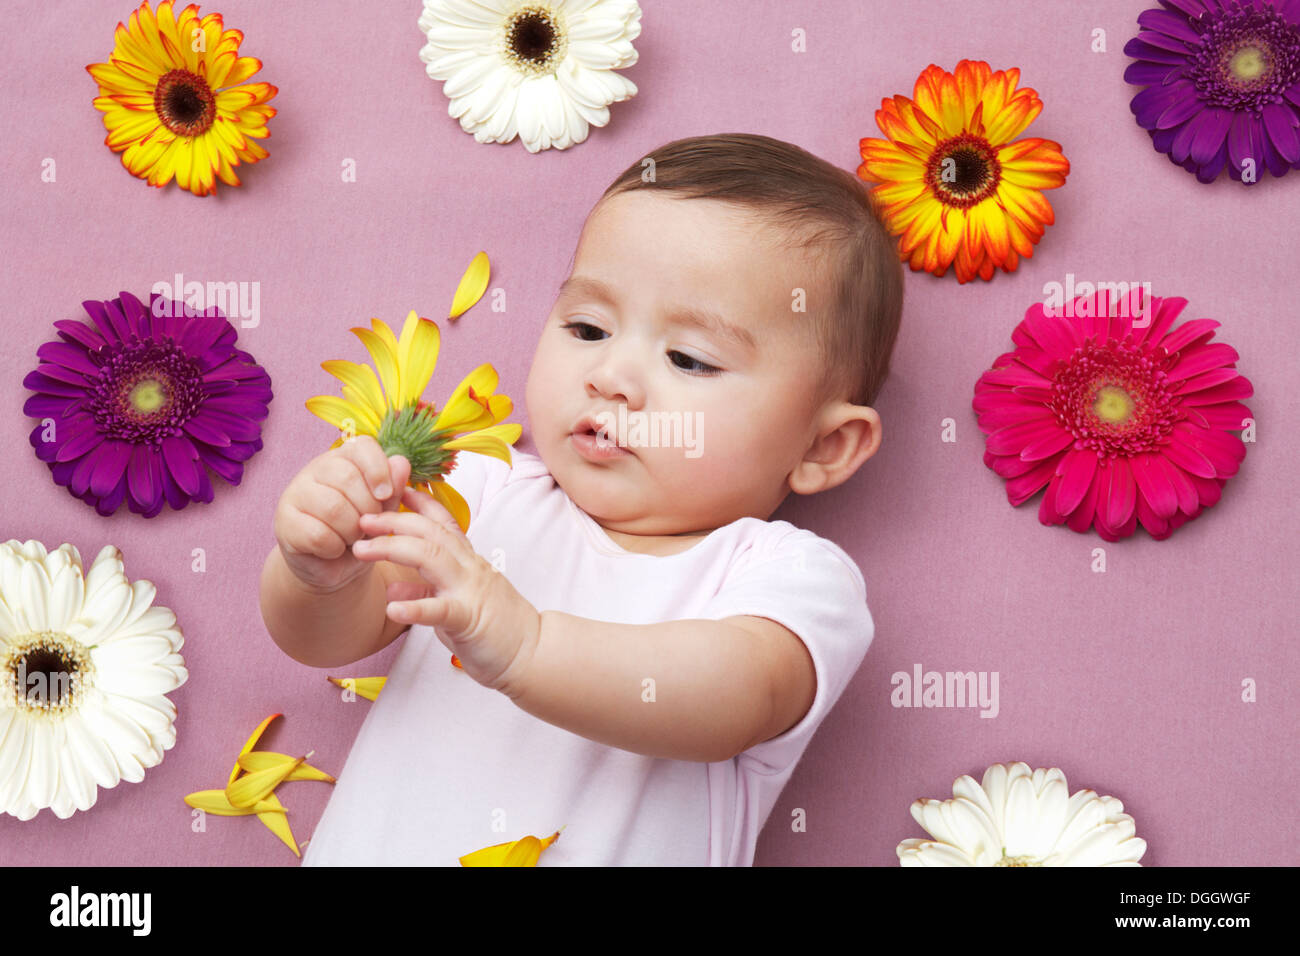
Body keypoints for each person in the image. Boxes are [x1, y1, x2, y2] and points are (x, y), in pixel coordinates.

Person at [260, 132, 904, 865]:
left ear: (823, 447)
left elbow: (737, 695)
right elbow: (321, 640)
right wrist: (319, 573)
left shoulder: (785, 577)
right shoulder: (475, 494)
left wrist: (527, 647)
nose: (611, 375)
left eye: (688, 358)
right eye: (587, 327)